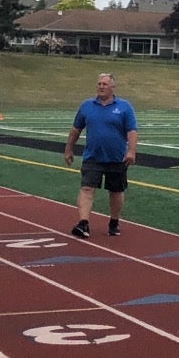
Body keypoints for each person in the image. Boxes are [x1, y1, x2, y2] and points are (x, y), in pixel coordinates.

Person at [64, 72, 137, 239]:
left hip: (116, 158)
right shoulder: (87, 106)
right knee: (87, 188)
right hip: (92, 157)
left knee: (116, 191)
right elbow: (76, 129)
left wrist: (132, 151)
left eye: (105, 84)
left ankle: (114, 221)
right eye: (99, 84)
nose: (101, 87)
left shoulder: (124, 107)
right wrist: (69, 149)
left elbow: (132, 130)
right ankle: (83, 223)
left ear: (112, 87)